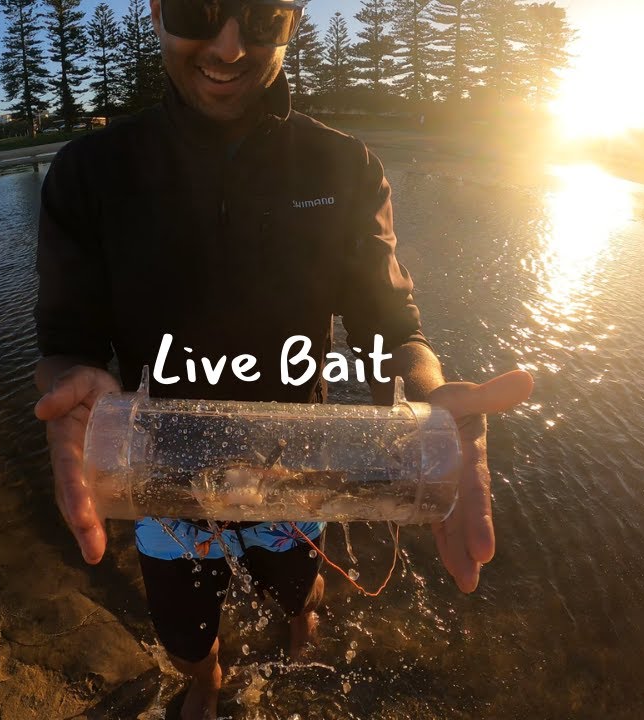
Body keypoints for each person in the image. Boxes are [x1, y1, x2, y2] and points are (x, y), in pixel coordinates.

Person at [32, 1, 534, 717]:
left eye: (263, 16)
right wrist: (72, 388)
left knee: (300, 590)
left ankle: (301, 628)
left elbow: (390, 325)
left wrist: (426, 389)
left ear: (293, 20)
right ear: (154, 10)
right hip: (165, 468)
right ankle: (204, 682)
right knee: (181, 629)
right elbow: (66, 343)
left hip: (299, 461)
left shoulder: (345, 166)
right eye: (200, 7)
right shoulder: (90, 174)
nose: (230, 47)